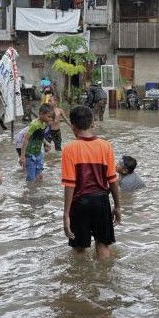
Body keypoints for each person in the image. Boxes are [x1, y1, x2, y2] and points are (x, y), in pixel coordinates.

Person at [61, 105, 122, 259]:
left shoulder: (69, 149)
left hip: (79, 203)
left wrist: (66, 214)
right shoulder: (105, 146)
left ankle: (84, 281)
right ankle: (104, 278)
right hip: (101, 201)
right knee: (103, 245)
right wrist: (118, 206)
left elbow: (70, 184)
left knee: (79, 248)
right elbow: (112, 179)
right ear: (93, 123)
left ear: (72, 126)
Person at [19, 103, 54, 182]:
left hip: (38, 153)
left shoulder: (43, 124)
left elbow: (39, 136)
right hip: (30, 155)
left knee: (39, 175)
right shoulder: (34, 124)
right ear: (41, 114)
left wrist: (46, 143)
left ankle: (37, 192)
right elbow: (25, 139)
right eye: (48, 116)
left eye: (51, 117)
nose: (50, 119)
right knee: (31, 178)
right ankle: (29, 192)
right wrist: (22, 156)